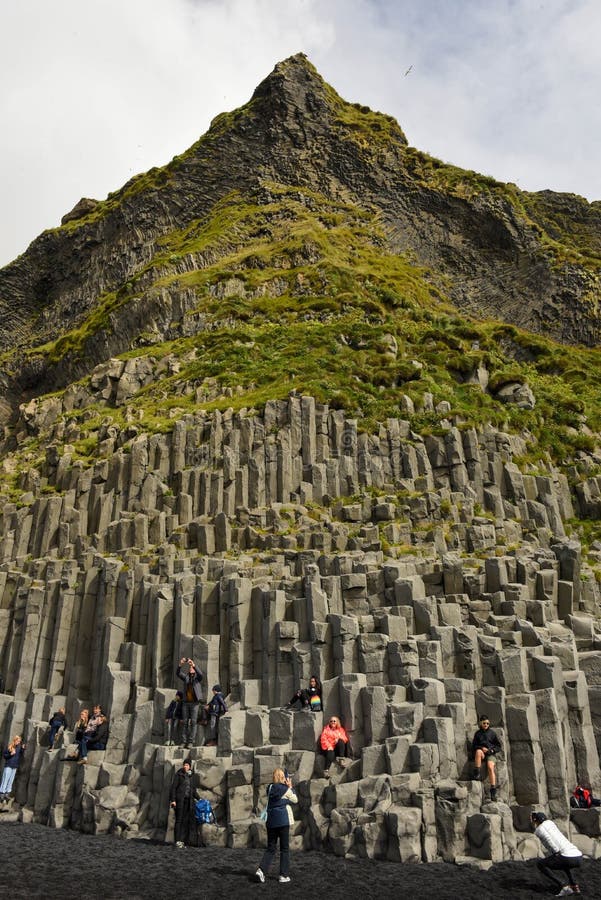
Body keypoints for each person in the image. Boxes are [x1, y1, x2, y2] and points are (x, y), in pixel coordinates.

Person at [255, 767, 298, 884]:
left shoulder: (269, 788)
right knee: (284, 849)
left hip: (271, 822)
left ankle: (261, 870)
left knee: (270, 848)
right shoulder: (286, 790)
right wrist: (290, 787)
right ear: (283, 778)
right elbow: (295, 800)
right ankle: (283, 875)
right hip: (283, 822)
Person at [531, 811, 583, 895]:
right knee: (565, 864)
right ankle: (574, 886)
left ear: (536, 821)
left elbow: (548, 839)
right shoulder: (551, 824)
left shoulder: (539, 829)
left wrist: (556, 852)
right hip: (578, 856)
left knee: (540, 864)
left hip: (567, 857)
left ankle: (564, 886)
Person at [471, 715, 501, 801]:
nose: (486, 725)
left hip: (490, 754)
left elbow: (498, 746)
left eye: (488, 723)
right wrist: (481, 748)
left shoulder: (492, 733)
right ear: (480, 723)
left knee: (490, 767)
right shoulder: (477, 734)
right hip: (482, 754)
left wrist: (491, 750)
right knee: (478, 751)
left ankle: (493, 791)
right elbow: (474, 746)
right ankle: (477, 773)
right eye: (484, 723)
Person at [177, 657, 203, 748]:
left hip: (195, 703)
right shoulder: (186, 677)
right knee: (185, 722)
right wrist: (180, 664)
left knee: (193, 722)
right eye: (190, 667)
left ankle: (191, 742)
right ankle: (184, 742)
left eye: (191, 667)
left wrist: (194, 665)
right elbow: (178, 673)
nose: (190, 667)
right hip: (186, 703)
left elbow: (201, 674)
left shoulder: (197, 678)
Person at [170, 758, 194, 848]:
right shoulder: (179, 775)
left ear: (190, 767)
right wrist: (173, 800)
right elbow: (173, 788)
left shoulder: (191, 776)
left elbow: (192, 790)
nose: (185, 766)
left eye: (187, 765)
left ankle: (182, 840)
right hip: (179, 801)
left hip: (188, 801)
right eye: (184, 765)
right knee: (178, 821)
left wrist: (199, 799)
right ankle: (177, 841)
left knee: (184, 821)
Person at [0, 735, 25, 801]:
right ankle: (2, 793)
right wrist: (10, 754)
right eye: (18, 741)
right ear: (15, 740)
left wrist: (22, 748)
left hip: (14, 766)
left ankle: (7, 793)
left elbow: (21, 753)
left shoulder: (19, 747)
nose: (19, 742)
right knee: (5, 779)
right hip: (8, 765)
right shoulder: (9, 746)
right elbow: (4, 756)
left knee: (11, 780)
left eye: (19, 741)